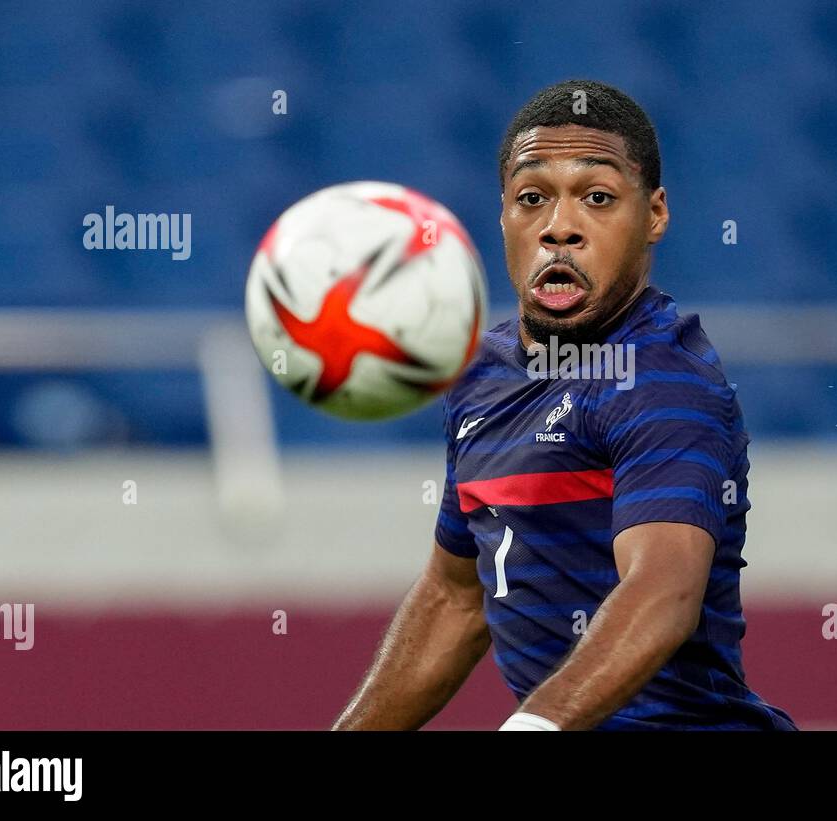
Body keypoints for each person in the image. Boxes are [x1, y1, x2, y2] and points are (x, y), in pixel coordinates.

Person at [333, 79, 796, 731]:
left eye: (598, 198)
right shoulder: (483, 380)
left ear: (655, 214)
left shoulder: (664, 378)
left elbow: (663, 590)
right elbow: (455, 599)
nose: (560, 228)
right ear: (504, 217)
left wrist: (536, 725)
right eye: (532, 199)